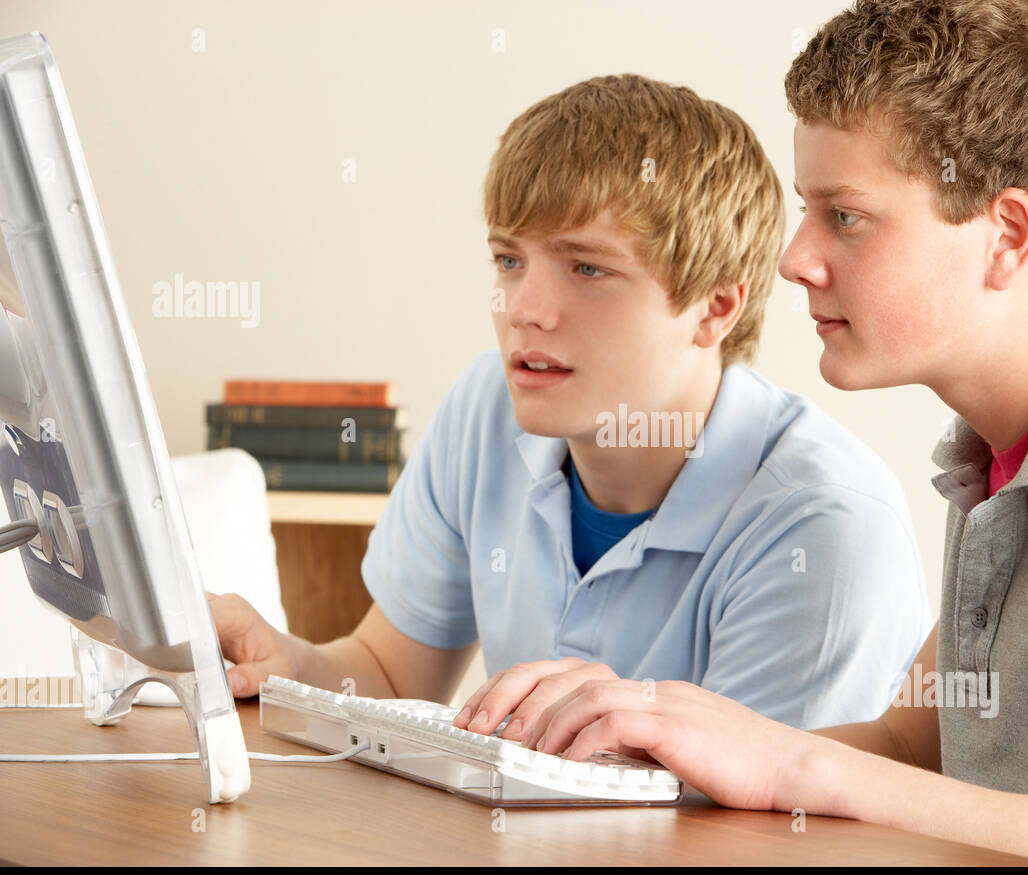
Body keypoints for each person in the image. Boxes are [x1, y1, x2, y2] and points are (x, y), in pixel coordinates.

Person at [514, 0, 1028, 865]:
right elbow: (906, 748)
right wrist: (656, 747)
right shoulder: (997, 447)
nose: (794, 257)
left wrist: (798, 763)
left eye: (843, 215)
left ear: (1006, 237)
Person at [211, 73, 931, 734]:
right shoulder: (484, 410)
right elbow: (391, 674)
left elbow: (757, 831)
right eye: (509, 260)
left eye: (587, 268)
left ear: (715, 308)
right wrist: (286, 668)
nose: (525, 310)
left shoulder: (824, 525)